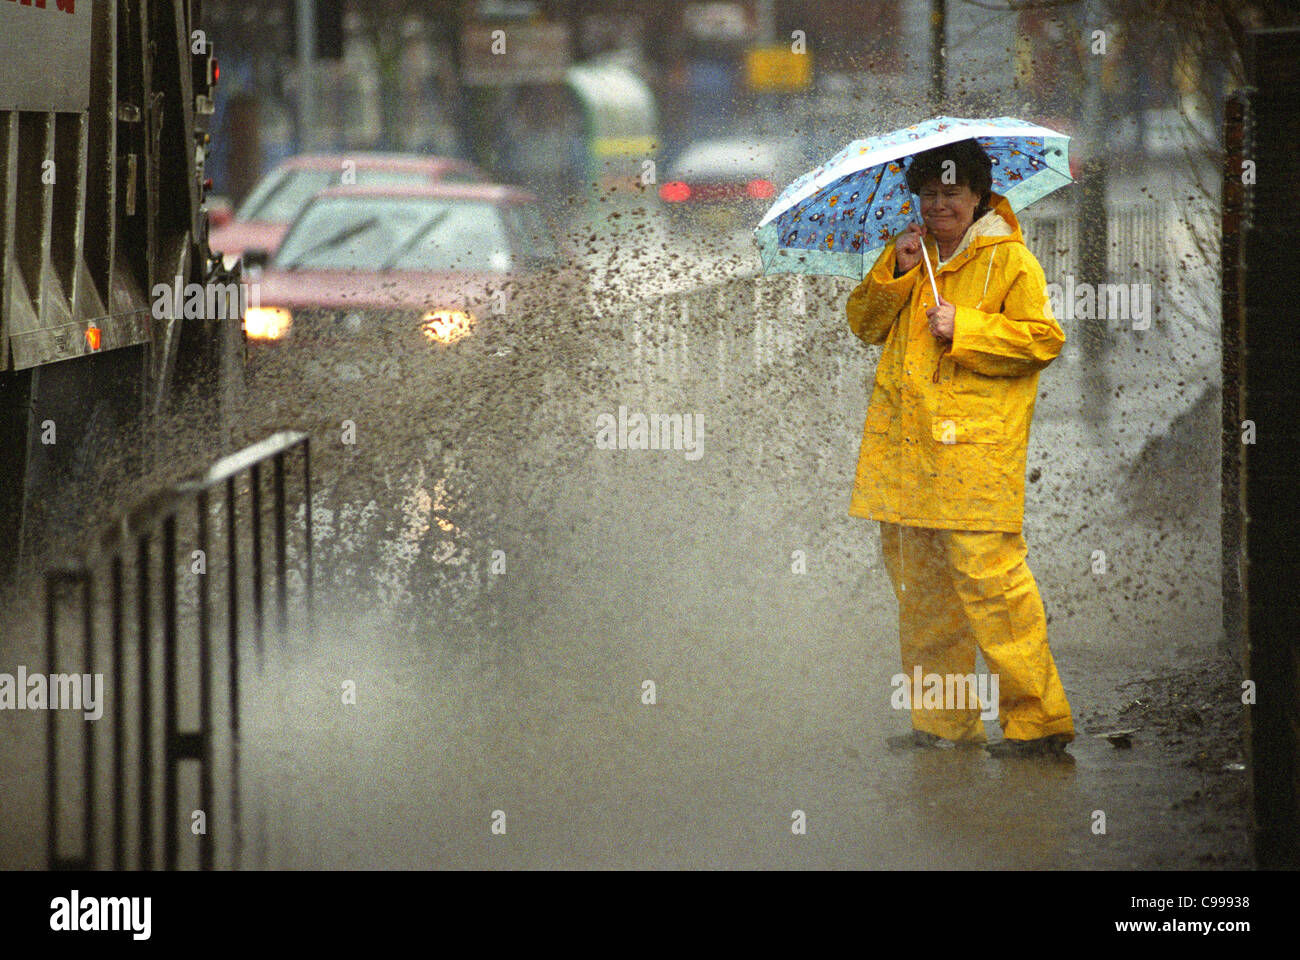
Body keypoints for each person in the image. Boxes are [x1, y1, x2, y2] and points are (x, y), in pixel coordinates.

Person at [844, 138, 1075, 758]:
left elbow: (1042, 340)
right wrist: (894, 269)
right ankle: (945, 726)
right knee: (923, 599)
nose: (939, 204)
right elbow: (863, 325)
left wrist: (965, 327)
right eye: (929, 193)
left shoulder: (1010, 261)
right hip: (907, 463)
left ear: (977, 196)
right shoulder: (909, 258)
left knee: (995, 593)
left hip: (974, 462)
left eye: (952, 193)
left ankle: (1037, 724)